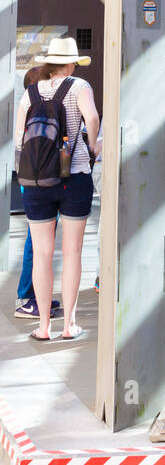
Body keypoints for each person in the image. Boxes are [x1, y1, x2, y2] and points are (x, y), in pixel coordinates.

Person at [14, 38, 99, 341]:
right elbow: (92, 118)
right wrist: (92, 146)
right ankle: (69, 325)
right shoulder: (79, 86)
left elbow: (18, 138)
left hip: (37, 181)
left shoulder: (31, 91)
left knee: (41, 254)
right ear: (71, 62)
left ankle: (43, 327)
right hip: (73, 176)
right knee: (73, 251)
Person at [14, 67, 61, 323]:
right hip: (35, 183)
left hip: (36, 181)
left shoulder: (34, 112)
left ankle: (36, 295)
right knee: (36, 243)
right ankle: (25, 299)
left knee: (40, 243)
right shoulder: (32, 111)